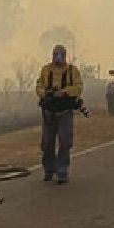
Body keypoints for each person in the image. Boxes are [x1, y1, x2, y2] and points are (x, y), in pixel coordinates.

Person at [35, 44, 84, 184]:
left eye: (61, 54)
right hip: (49, 112)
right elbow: (39, 86)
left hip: (65, 112)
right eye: (56, 54)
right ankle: (49, 170)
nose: (58, 57)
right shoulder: (45, 70)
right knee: (47, 142)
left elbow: (79, 87)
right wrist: (47, 93)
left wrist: (65, 92)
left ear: (65, 55)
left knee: (65, 141)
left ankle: (62, 171)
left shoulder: (72, 71)